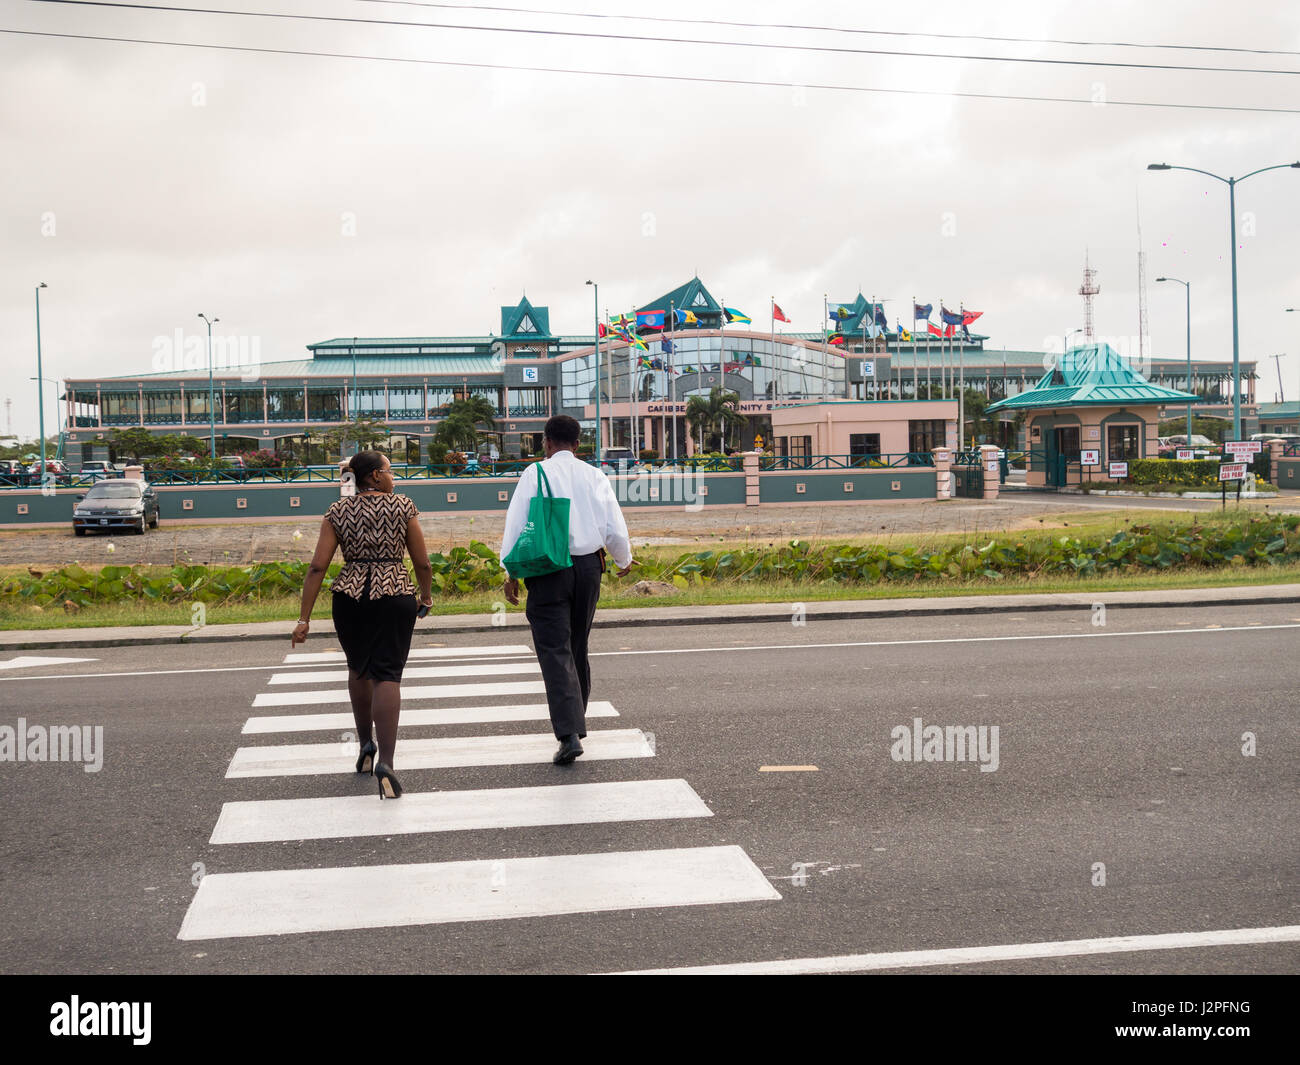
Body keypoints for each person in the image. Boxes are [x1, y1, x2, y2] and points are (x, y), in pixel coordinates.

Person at [291, 451, 433, 799]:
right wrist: (426, 597)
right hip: (394, 592)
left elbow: (317, 567)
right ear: (374, 476)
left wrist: (304, 618)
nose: (393, 476)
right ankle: (387, 763)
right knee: (388, 675)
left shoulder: (337, 511)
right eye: (389, 471)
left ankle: (366, 745)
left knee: (358, 668)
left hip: (349, 596)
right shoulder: (402, 506)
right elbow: (423, 563)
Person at [501, 416, 633, 765]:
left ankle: (569, 733)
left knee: (554, 649)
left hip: (549, 569)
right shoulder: (595, 475)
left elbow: (516, 524)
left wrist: (510, 572)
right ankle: (576, 721)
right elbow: (613, 525)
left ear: (546, 442)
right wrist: (623, 559)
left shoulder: (535, 473)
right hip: (589, 569)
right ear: (577, 445)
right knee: (577, 646)